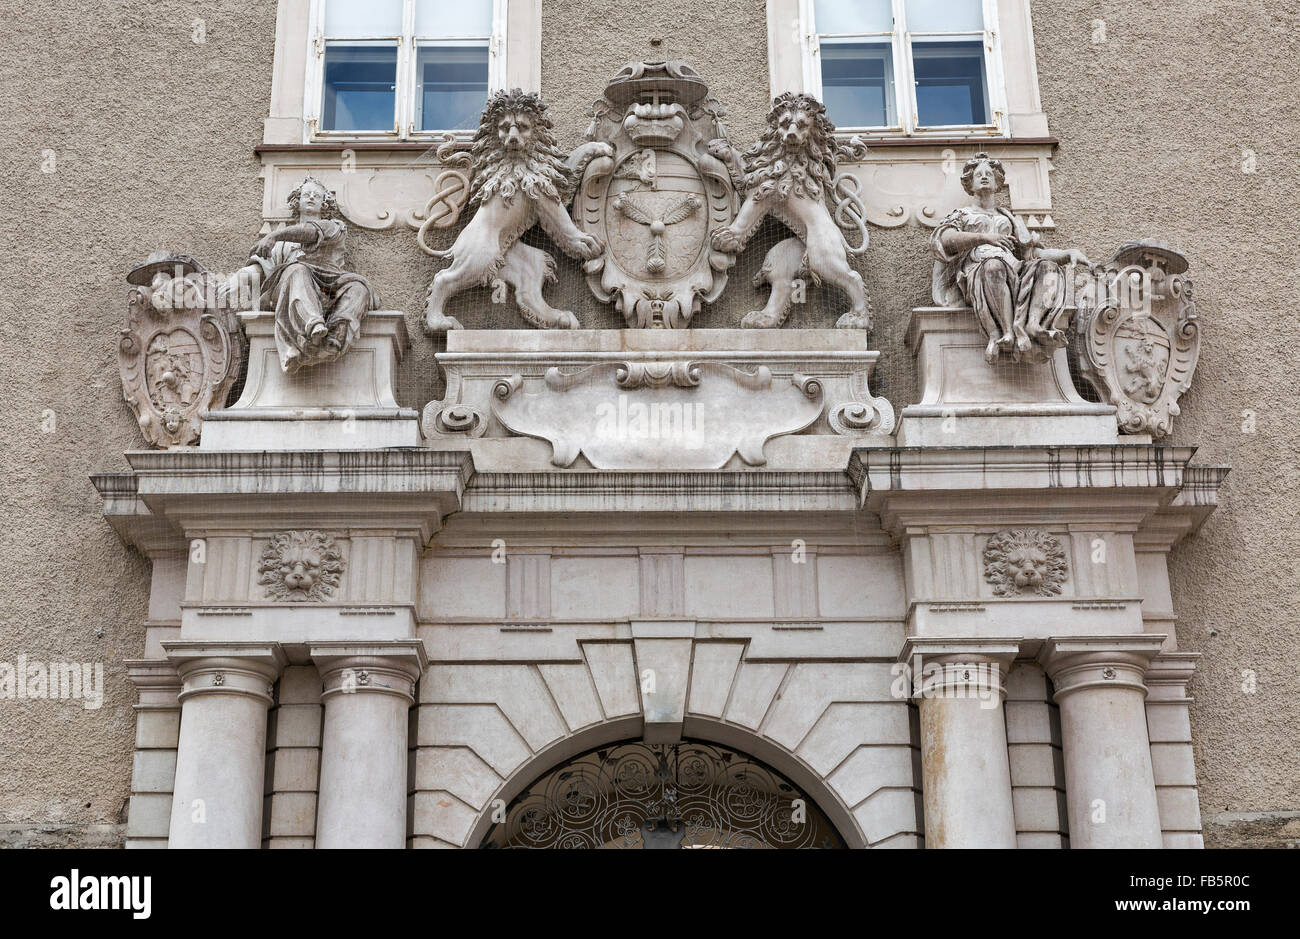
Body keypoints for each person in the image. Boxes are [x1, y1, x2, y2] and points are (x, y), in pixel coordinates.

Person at [932, 153, 1090, 364]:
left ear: (998, 182)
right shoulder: (962, 214)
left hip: (1013, 267)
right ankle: (1004, 333)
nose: (985, 177)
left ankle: (1035, 324)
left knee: (1048, 267)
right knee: (994, 267)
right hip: (980, 268)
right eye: (979, 174)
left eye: (989, 173)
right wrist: (984, 237)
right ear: (969, 183)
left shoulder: (1007, 217)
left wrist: (1067, 253)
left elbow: (1032, 253)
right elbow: (945, 239)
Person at [242, 176, 379, 373]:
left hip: (329, 288)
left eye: (317, 195)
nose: (312, 197)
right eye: (307, 194)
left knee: (359, 288)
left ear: (324, 203)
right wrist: (240, 279)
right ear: (298, 200)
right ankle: (311, 327)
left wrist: (273, 235)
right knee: (298, 269)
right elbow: (262, 269)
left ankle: (334, 336)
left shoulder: (335, 227)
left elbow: (311, 232)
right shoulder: (281, 245)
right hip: (291, 289)